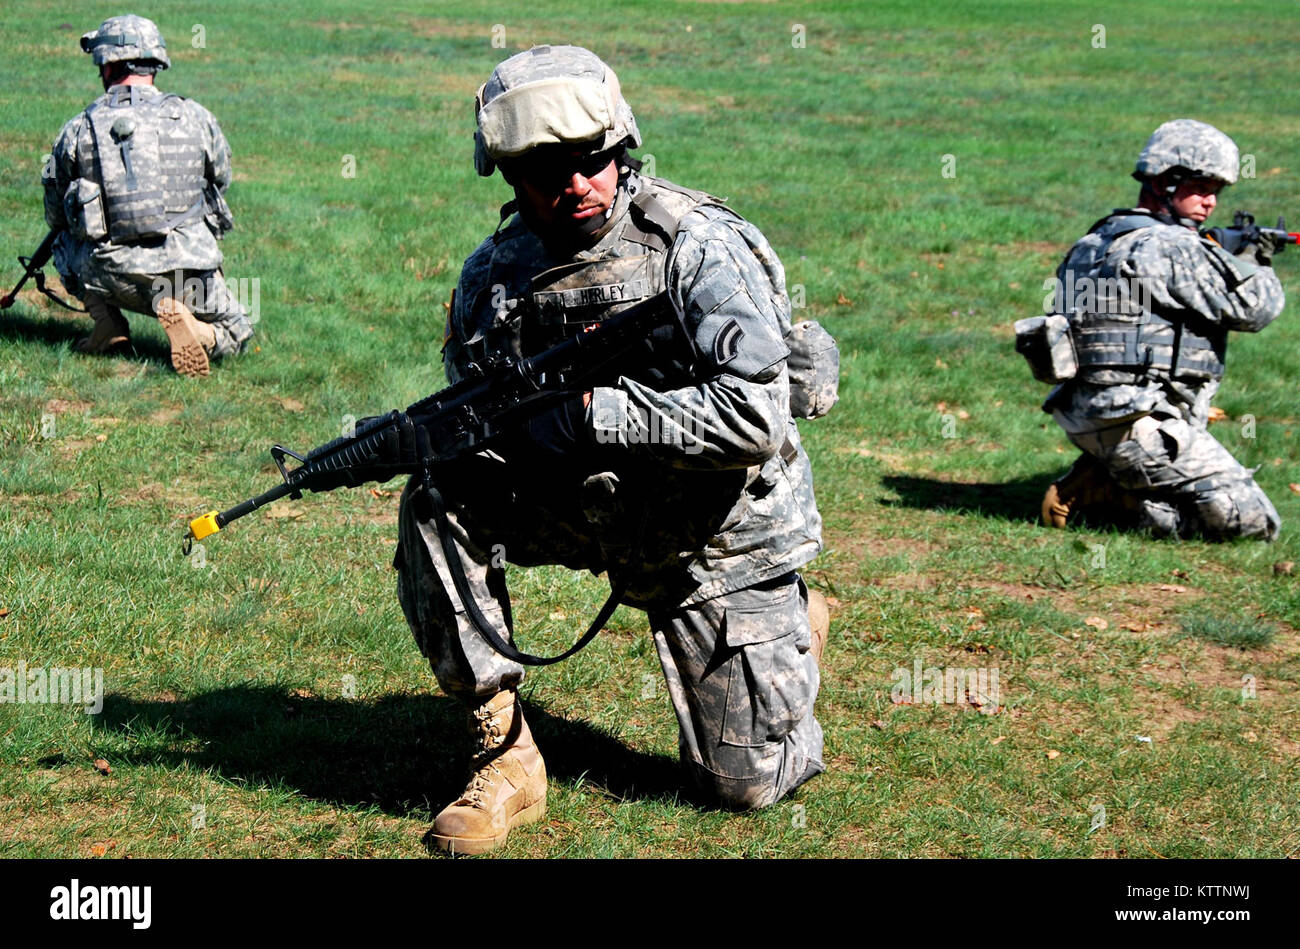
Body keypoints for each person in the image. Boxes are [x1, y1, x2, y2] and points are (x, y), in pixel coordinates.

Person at [394, 45, 832, 854]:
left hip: (716, 533)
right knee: (436, 486)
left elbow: (756, 418)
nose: (577, 184)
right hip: (586, 510)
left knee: (744, 786)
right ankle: (505, 753)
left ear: (621, 143)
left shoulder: (696, 246)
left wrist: (598, 414)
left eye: (594, 159)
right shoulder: (495, 275)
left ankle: (791, 622)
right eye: (547, 167)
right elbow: (481, 407)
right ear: (508, 173)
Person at [1033, 119, 1285, 540]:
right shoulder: (1167, 245)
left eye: (1217, 192)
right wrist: (1255, 259)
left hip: (1086, 413)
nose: (1210, 202)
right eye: (1202, 187)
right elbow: (1257, 309)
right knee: (1254, 524)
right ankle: (1107, 495)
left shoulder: (1095, 239)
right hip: (1136, 418)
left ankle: (1108, 476)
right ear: (1167, 182)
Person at [41, 14, 253, 378]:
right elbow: (221, 178)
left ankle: (106, 321)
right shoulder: (195, 116)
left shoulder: (78, 127)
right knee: (238, 334)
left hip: (106, 273)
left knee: (60, 242)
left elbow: (55, 211)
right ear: (155, 61)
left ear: (107, 64)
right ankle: (200, 331)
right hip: (185, 273)